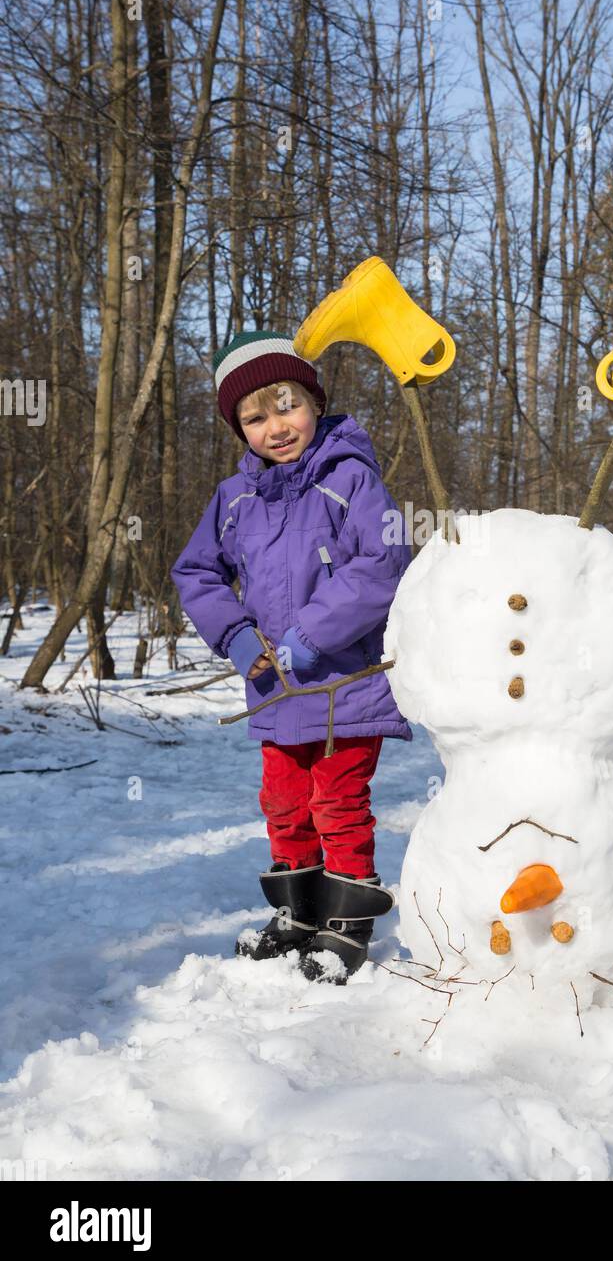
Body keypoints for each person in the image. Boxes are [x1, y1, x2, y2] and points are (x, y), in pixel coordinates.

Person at [170, 329, 412, 983]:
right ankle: (299, 911)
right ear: (238, 428)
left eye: (287, 406)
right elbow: (196, 573)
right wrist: (238, 637)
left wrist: (312, 632)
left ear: (314, 401)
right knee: (282, 801)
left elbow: (383, 563)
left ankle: (347, 918)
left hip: (346, 686)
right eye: (254, 417)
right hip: (275, 689)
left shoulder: (350, 478)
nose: (275, 426)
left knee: (336, 800)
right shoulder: (234, 498)